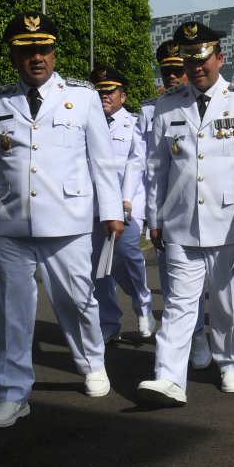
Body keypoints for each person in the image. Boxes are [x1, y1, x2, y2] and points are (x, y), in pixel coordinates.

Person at [0, 12, 125, 428]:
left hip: (69, 221)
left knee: (77, 299)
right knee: (12, 313)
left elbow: (103, 161)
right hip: (11, 224)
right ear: (14, 55)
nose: (36, 57)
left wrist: (111, 212)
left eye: (43, 49)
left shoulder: (84, 97)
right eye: (26, 51)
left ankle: (92, 361)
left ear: (54, 52)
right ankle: (13, 392)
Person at [138, 21, 234, 405]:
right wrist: (155, 218)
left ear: (219, 58)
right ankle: (169, 377)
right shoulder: (167, 105)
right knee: (180, 304)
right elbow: (156, 169)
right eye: (190, 61)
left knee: (229, 304)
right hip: (181, 223)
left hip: (230, 220)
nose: (198, 68)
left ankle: (231, 362)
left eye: (204, 59)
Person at [133, 40, 211, 366]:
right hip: (173, 211)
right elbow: (145, 166)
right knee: (175, 284)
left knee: (221, 287)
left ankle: (215, 336)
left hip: (215, 207)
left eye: (178, 71)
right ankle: (193, 337)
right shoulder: (152, 110)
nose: (172, 78)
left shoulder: (213, 103)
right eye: (167, 72)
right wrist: (149, 215)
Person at [89, 65, 153, 340]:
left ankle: (143, 302)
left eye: (110, 91)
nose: (104, 95)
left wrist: (131, 203)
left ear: (123, 97)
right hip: (93, 207)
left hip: (127, 206)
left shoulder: (135, 124)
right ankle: (109, 322)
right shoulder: (86, 124)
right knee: (99, 268)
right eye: (100, 91)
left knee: (127, 255)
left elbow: (138, 168)